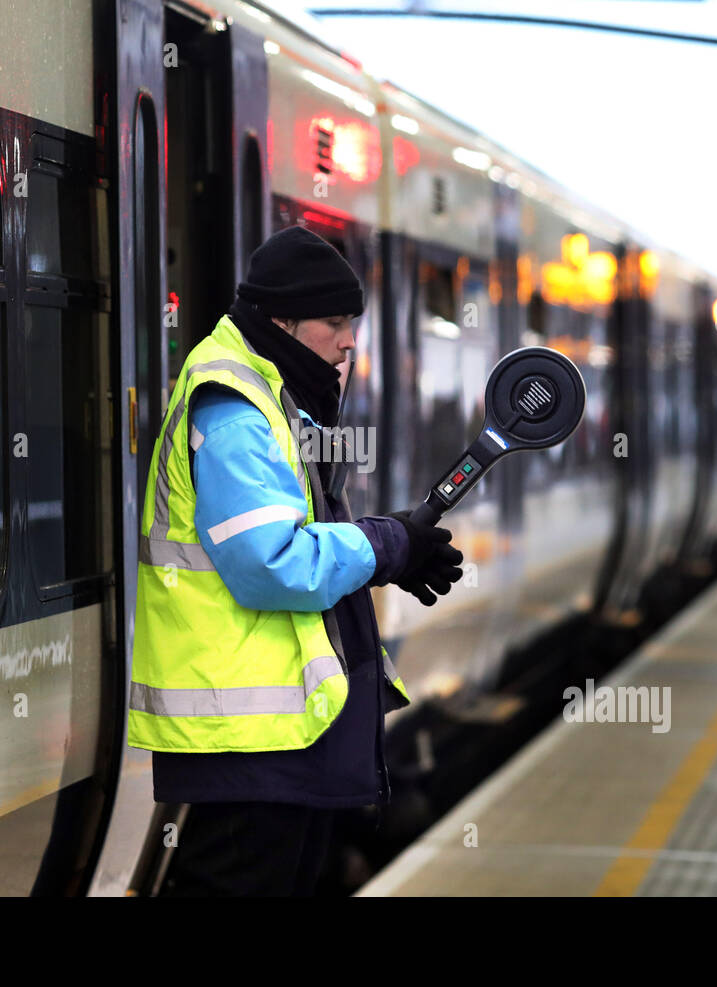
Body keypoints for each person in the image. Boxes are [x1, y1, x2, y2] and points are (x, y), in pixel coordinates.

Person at [129, 225, 464, 896]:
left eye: (352, 323)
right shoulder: (233, 410)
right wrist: (385, 544)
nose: (348, 340)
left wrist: (390, 543)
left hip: (276, 726)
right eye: (333, 322)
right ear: (282, 320)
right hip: (247, 730)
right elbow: (271, 561)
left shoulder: (272, 396)